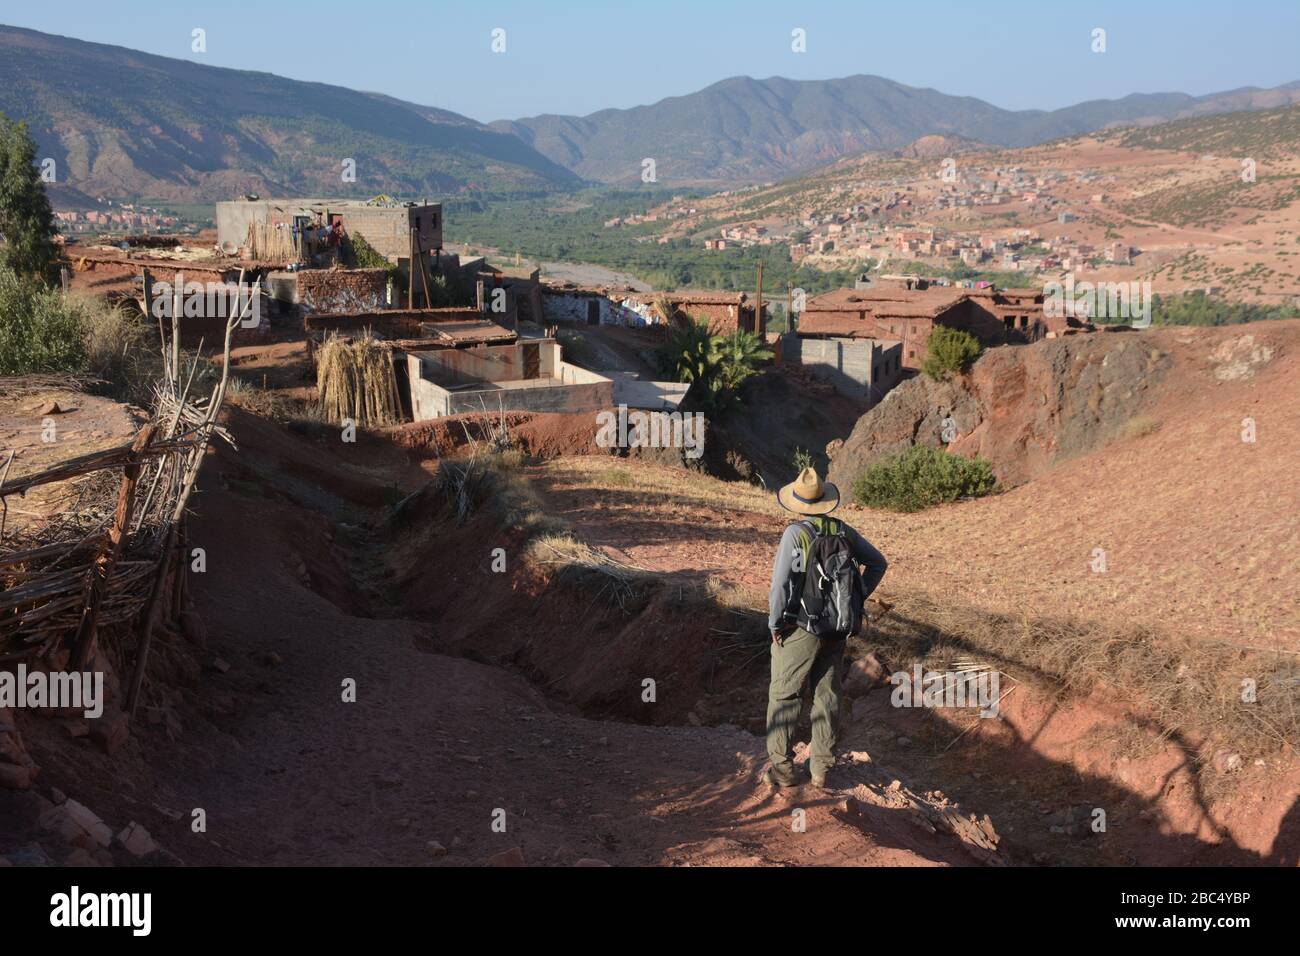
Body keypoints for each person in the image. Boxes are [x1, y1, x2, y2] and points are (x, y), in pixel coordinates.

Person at [765, 467, 888, 789]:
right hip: (836, 626)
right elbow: (878, 562)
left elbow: (782, 584)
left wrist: (776, 623)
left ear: (796, 502)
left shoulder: (796, 534)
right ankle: (821, 769)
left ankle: (783, 770)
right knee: (827, 695)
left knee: (784, 695)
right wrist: (855, 599)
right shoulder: (842, 530)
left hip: (801, 626)